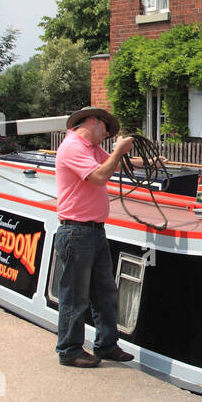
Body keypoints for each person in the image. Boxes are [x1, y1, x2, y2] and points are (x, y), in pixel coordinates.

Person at [54, 106, 136, 368]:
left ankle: (107, 345)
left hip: (94, 231)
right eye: (105, 130)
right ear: (92, 121)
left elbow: (118, 163)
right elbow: (101, 176)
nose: (107, 136)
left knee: (104, 293)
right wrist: (118, 151)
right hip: (76, 231)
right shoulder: (73, 147)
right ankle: (69, 350)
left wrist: (152, 161)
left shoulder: (90, 149)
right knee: (76, 296)